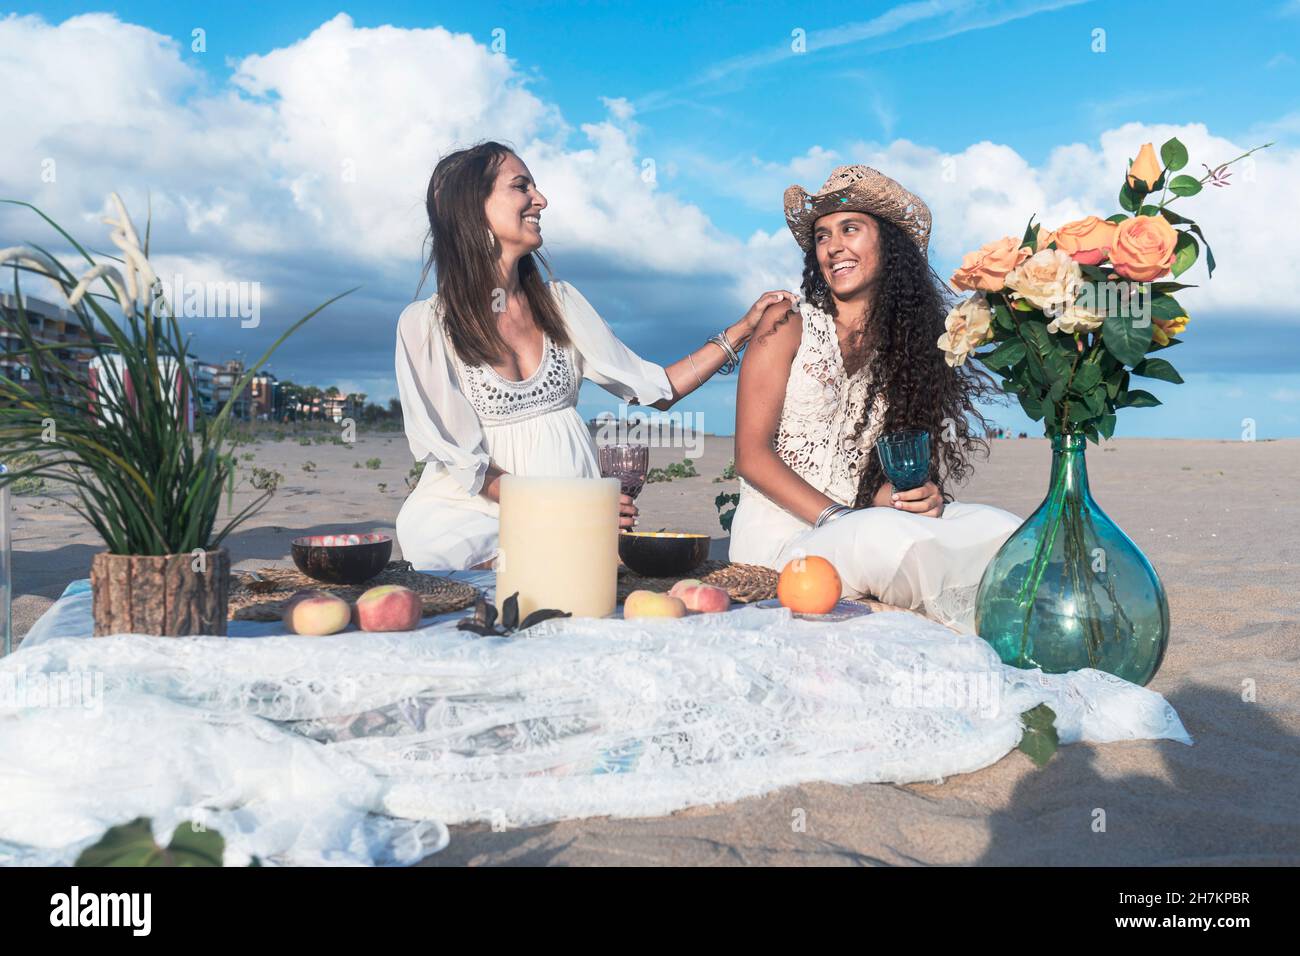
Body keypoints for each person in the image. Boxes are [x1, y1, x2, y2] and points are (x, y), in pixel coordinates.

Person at [395, 141, 795, 570]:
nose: (541, 199)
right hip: (473, 519)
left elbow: (658, 389)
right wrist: (576, 506)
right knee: (464, 551)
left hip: (569, 522)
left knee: (558, 570)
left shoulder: (561, 305)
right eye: (521, 186)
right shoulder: (426, 325)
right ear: (472, 209)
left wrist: (742, 329)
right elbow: (469, 469)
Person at [729, 165, 1022, 631]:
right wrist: (838, 518)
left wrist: (917, 498)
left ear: (889, 243)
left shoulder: (908, 350)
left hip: (863, 525)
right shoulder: (787, 323)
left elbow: (873, 483)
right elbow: (750, 456)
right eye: (822, 236)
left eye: (850, 229)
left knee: (1000, 528)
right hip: (782, 541)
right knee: (888, 540)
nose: (833, 247)